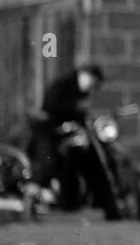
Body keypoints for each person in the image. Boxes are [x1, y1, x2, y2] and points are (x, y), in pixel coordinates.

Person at [29, 63, 114, 214]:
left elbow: (81, 114)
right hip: (49, 130)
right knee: (48, 162)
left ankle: (90, 200)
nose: (92, 88)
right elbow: (52, 108)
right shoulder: (62, 85)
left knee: (89, 158)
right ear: (85, 75)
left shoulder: (82, 92)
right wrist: (75, 109)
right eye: (92, 82)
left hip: (70, 132)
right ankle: (32, 196)